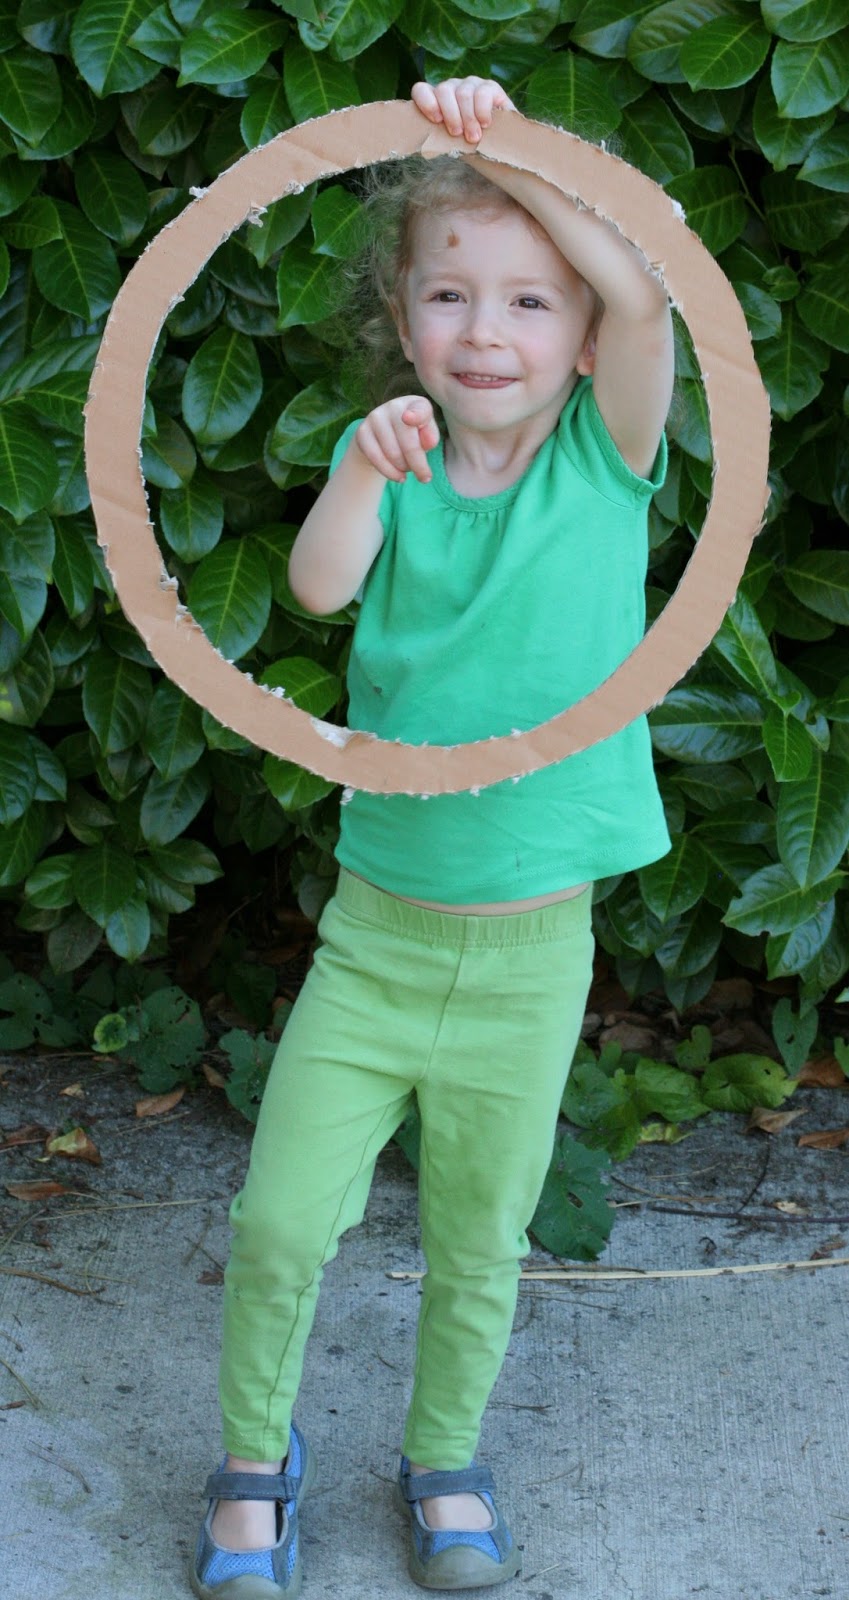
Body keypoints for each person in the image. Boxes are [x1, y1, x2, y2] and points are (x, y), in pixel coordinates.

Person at [191, 75, 674, 1599]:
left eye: (530, 299)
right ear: (403, 329)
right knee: (277, 1223)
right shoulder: (389, 460)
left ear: (579, 339)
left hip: (533, 954)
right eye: (450, 296)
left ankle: (443, 1458)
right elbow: (321, 596)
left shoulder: (609, 453)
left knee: (481, 1239)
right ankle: (255, 1465)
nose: (487, 331)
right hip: (380, 933)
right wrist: (353, 466)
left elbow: (651, 292)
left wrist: (510, 150)